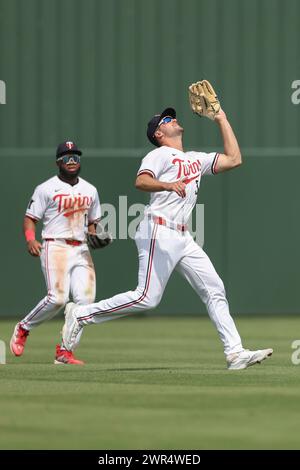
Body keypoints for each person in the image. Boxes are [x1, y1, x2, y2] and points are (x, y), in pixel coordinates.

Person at [62, 109, 273, 370]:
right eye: (166, 120)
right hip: (157, 229)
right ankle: (81, 314)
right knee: (147, 298)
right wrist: (167, 185)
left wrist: (220, 118)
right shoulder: (158, 154)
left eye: (171, 117)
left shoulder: (195, 159)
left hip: (183, 236)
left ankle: (235, 353)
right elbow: (141, 181)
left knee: (215, 288)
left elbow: (234, 159)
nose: (173, 119)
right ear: (159, 134)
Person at [10, 141, 102, 364]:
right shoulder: (46, 188)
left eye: (75, 157)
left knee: (85, 303)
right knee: (58, 298)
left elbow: (93, 222)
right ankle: (23, 327)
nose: (72, 161)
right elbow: (30, 219)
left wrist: (95, 234)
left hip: (81, 248)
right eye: (67, 157)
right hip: (55, 245)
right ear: (58, 162)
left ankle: (65, 351)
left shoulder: (90, 190)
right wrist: (31, 240)